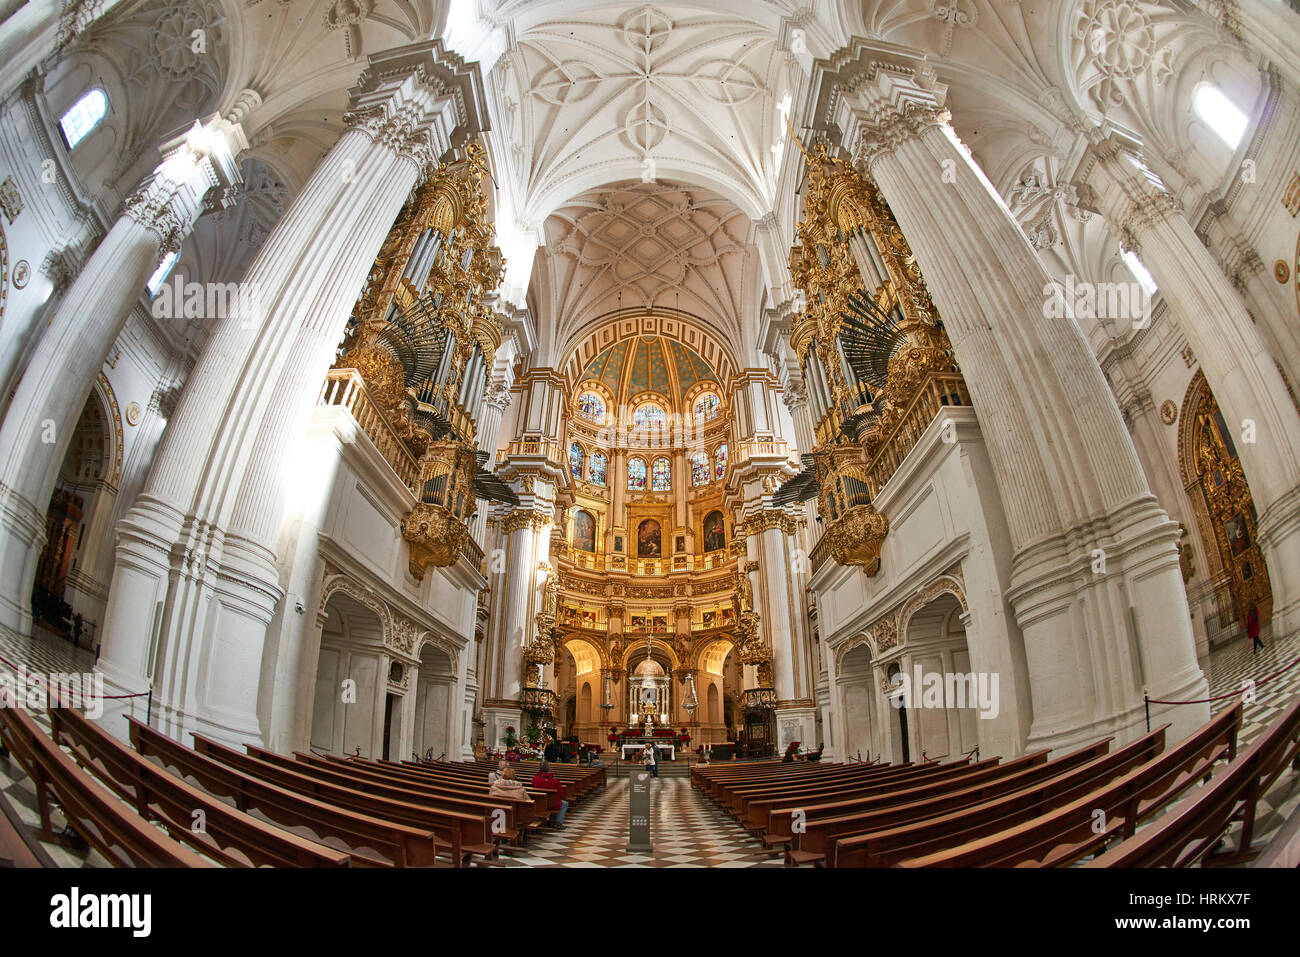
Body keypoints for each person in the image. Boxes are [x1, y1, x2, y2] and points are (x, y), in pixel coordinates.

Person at [531, 761, 568, 826]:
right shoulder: (555, 781)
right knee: (565, 804)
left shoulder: (535, 779)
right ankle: (558, 822)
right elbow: (561, 793)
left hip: (539, 802)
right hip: (552, 804)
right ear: (549, 769)